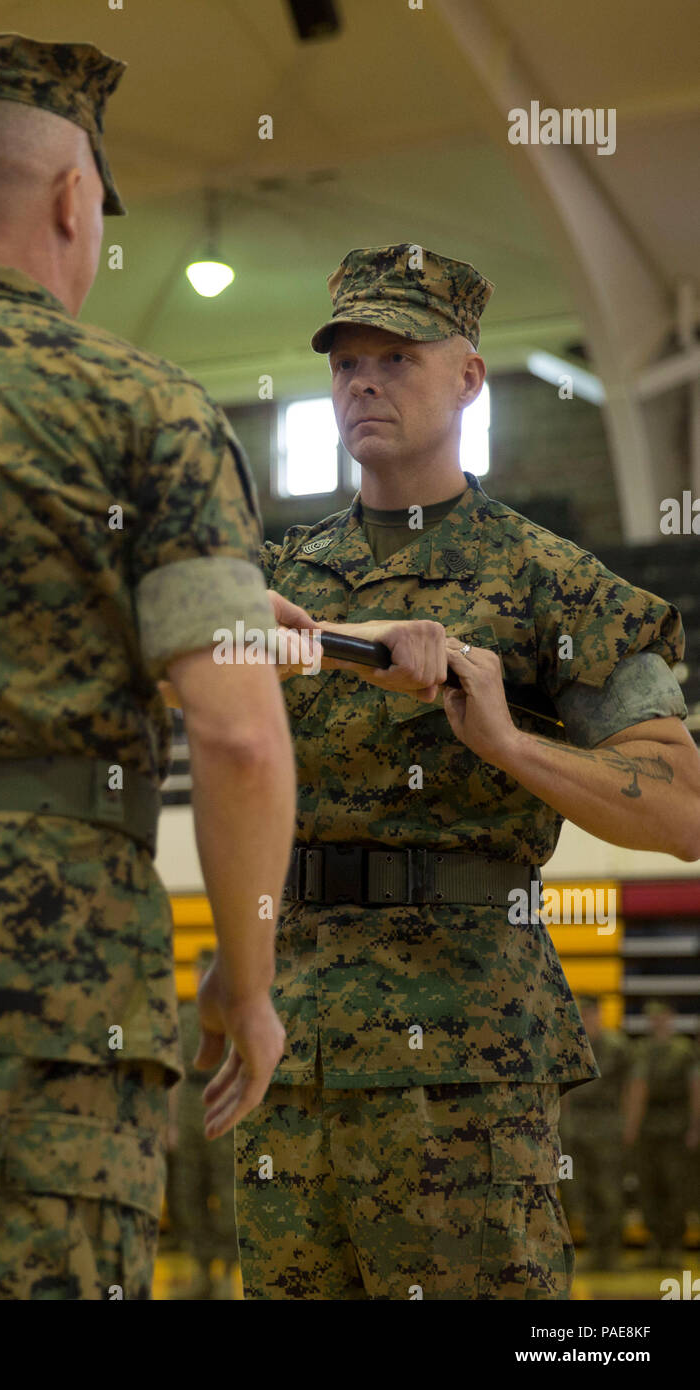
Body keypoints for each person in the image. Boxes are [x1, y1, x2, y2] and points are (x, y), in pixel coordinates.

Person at [0, 32, 298, 1300]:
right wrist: (244, 985)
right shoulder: (139, 410)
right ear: (71, 196)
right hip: (42, 1000)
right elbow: (242, 736)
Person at [227, 243, 700, 1300]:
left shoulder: (553, 585)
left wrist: (509, 744)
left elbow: (679, 811)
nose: (361, 382)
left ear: (468, 376)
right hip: (291, 1045)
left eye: (395, 356)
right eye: (346, 361)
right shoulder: (274, 581)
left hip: (458, 1060)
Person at [166, 950, 238, 1299]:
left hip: (223, 1103)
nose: (201, 977)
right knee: (187, 1192)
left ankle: (226, 1271)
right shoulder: (182, 1017)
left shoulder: (233, 1015)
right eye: (198, 971)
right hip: (189, 1107)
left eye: (207, 971)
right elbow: (174, 1076)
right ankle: (200, 1269)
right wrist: (171, 1124)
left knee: (227, 1193)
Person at [558, 997, 631, 1269]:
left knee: (609, 1190)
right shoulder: (570, 1044)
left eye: (589, 1013)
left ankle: (612, 1253)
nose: (585, 1018)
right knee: (583, 1189)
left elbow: (631, 1087)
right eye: (581, 1013)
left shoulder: (617, 1046)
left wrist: (628, 1125)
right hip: (577, 1126)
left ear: (599, 1014)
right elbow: (563, 1089)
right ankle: (596, 1249)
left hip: (607, 1125)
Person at [624, 1000, 695, 1265]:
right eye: (653, 1018)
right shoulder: (641, 1050)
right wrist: (631, 1127)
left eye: (662, 1017)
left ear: (672, 1018)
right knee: (648, 1187)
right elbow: (634, 1090)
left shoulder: (684, 1050)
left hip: (676, 1126)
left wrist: (694, 1127)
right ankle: (654, 1244)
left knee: (676, 1188)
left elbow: (695, 1089)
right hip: (648, 1126)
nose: (658, 1022)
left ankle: (674, 1246)